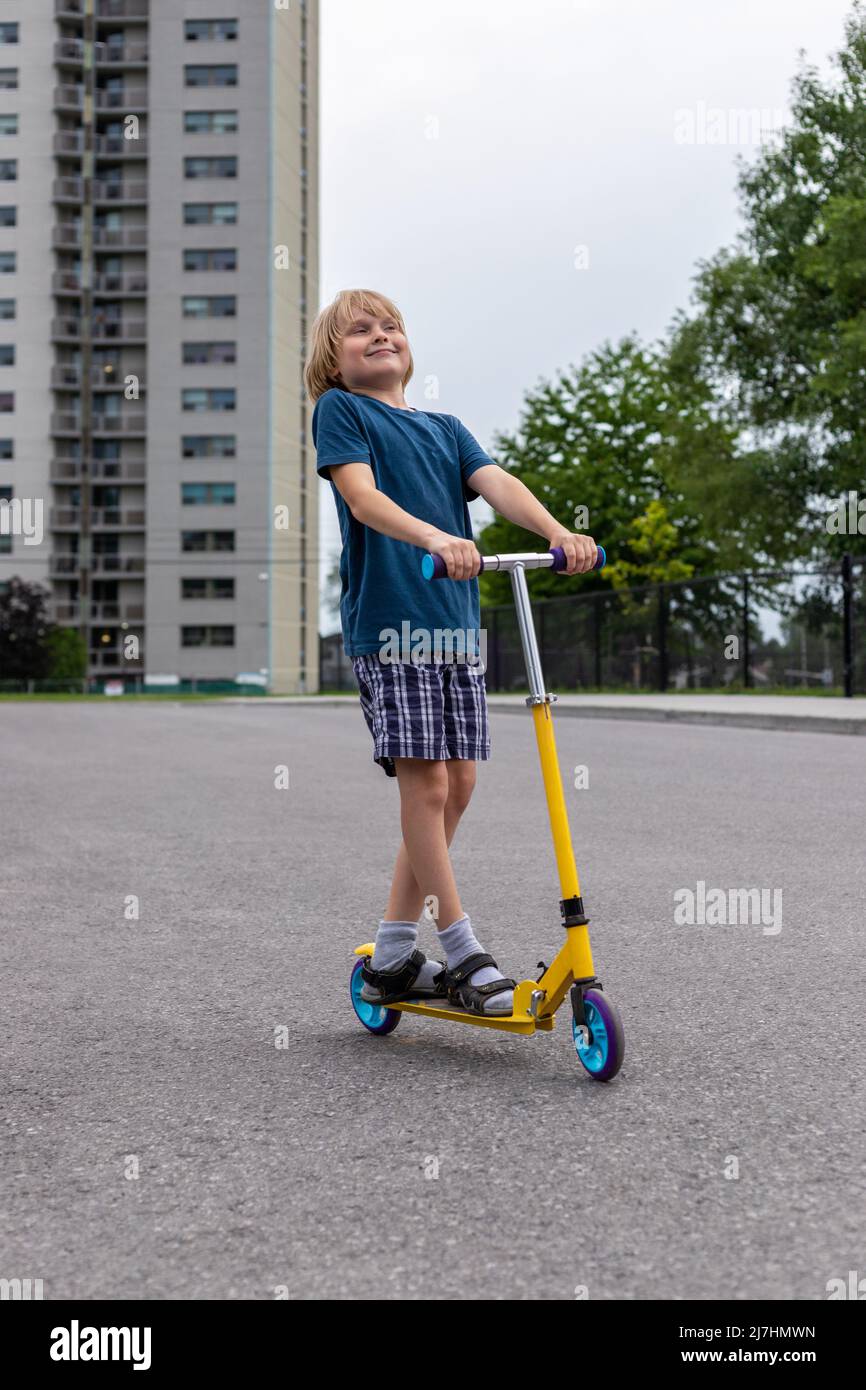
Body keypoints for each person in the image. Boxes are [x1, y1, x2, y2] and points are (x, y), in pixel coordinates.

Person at [306, 288, 597, 1016]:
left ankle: (392, 953)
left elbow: (498, 486)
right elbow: (363, 498)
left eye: (391, 326)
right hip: (393, 627)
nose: (381, 335)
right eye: (361, 330)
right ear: (334, 361)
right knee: (427, 786)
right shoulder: (343, 411)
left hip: (454, 630)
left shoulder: (446, 428)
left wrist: (557, 533)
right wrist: (437, 536)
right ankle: (463, 949)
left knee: (457, 787)